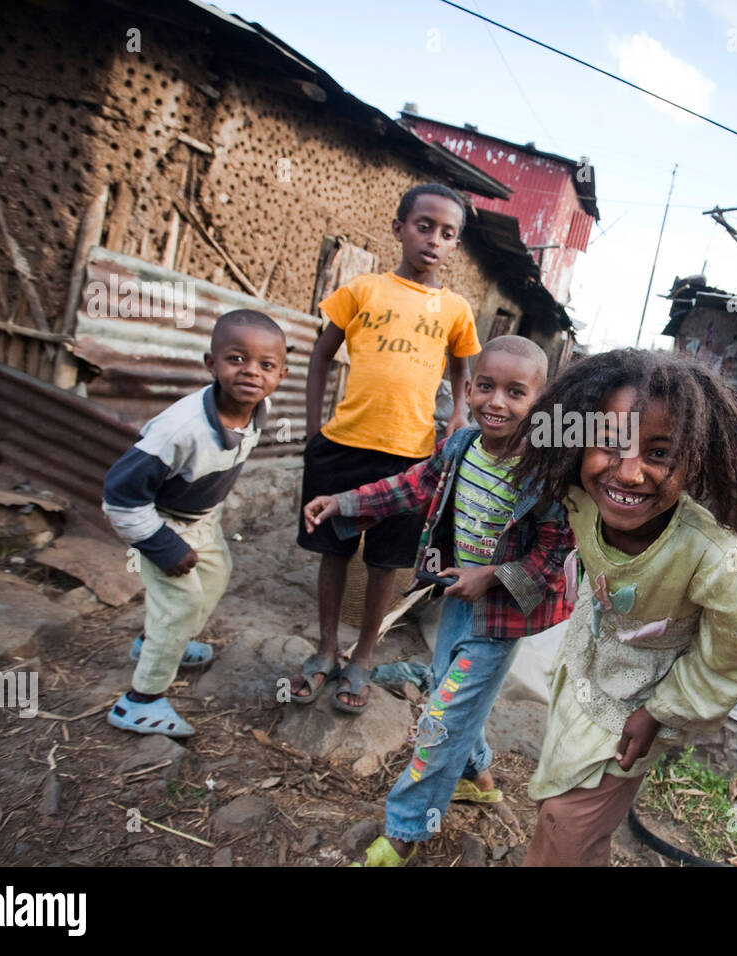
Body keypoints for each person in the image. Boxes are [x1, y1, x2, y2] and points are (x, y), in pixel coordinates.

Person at [303, 336, 574, 866]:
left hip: (498, 617)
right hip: (457, 600)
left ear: (539, 406)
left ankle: (405, 829)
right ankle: (478, 777)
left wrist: (491, 577)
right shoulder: (460, 447)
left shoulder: (545, 476)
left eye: (515, 393)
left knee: (442, 716)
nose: (497, 402)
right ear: (467, 390)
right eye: (486, 387)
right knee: (448, 692)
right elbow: (408, 487)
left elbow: (556, 556)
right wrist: (342, 501)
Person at [511, 349, 737, 866]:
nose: (629, 473)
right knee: (557, 811)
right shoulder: (580, 498)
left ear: (695, 462)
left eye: (659, 454)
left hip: (638, 707)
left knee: (569, 824)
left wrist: (658, 713)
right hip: (586, 671)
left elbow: (723, 666)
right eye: (609, 444)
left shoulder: (712, 559)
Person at [294, 183, 482, 713]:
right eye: (424, 226)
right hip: (343, 446)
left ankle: (363, 658)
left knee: (386, 562)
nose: (433, 240)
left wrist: (460, 415)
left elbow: (464, 370)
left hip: (410, 458)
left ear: (455, 247)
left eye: (448, 233)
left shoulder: (456, 309)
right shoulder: (362, 290)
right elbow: (321, 356)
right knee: (332, 551)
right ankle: (327, 648)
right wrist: (314, 432)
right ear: (399, 228)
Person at [103, 310, 288, 737]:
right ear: (211, 364)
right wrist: (164, 546)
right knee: (181, 602)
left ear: (281, 373)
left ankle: (158, 644)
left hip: (203, 520)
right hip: (161, 525)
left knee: (217, 575)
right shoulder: (178, 430)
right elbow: (120, 496)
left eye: (265, 365)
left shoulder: (260, 409)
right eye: (236, 359)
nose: (251, 373)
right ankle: (140, 701)